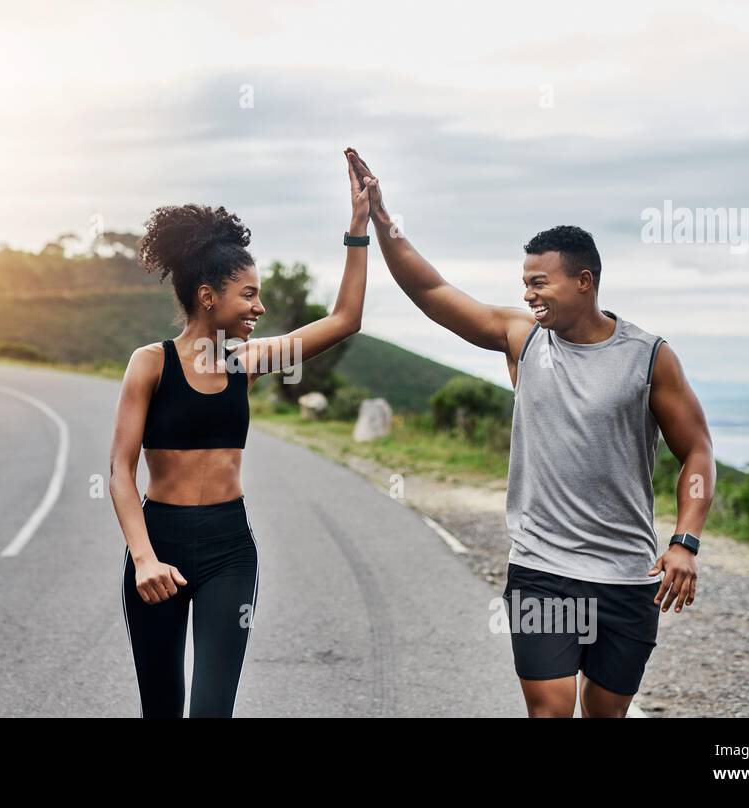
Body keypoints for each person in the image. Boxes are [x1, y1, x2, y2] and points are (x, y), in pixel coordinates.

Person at [346, 148, 715, 718]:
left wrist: (684, 541)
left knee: (607, 713)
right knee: (549, 710)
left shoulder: (648, 357)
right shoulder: (522, 338)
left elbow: (696, 450)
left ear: (584, 281)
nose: (527, 295)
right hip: (543, 569)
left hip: (626, 572)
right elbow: (432, 292)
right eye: (524, 283)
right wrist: (382, 220)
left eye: (539, 282)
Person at [108, 149, 372, 717]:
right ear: (209, 296)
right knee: (161, 707)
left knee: (210, 710)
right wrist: (144, 559)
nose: (260, 305)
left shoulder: (245, 362)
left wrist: (357, 230)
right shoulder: (150, 364)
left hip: (230, 548)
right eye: (249, 294)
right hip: (160, 546)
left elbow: (344, 319)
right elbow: (119, 473)